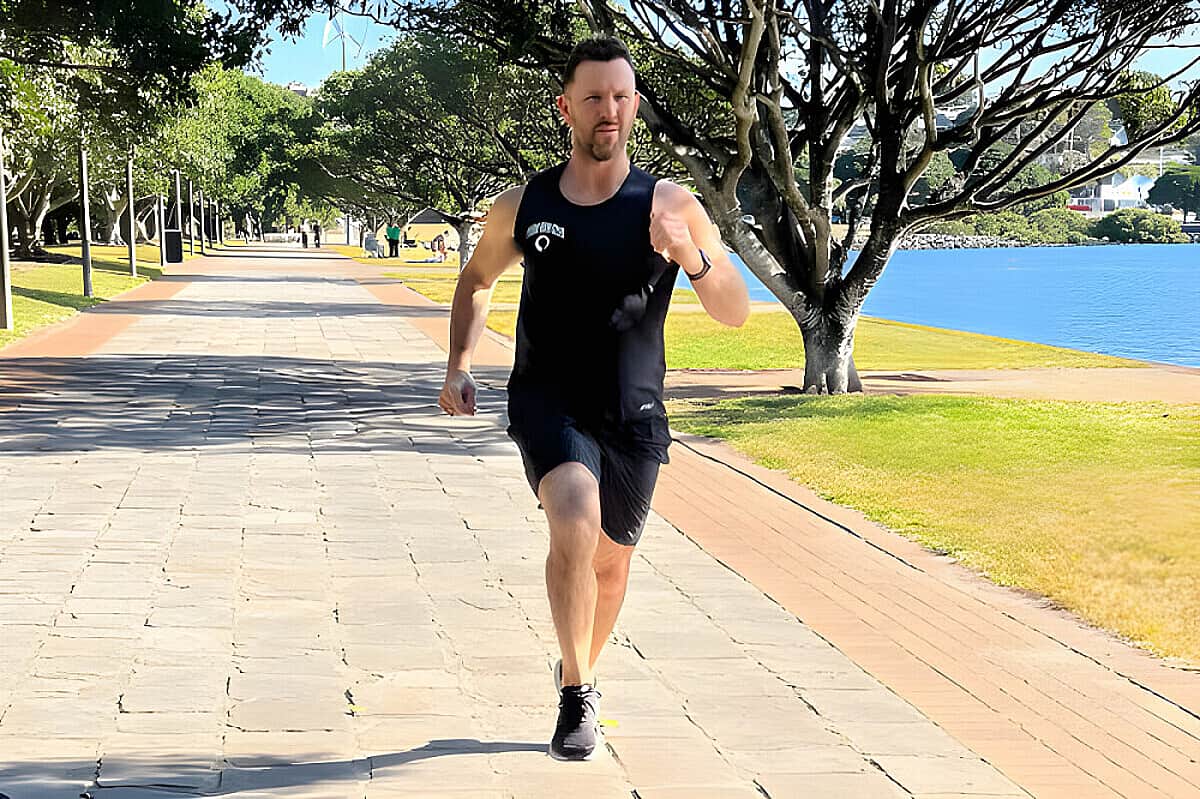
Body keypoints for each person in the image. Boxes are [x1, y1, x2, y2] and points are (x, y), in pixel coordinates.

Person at [438, 36, 749, 762]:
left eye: (620, 97)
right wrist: (458, 362)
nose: (607, 111)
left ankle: (580, 667)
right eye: (593, 99)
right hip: (548, 400)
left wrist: (690, 254)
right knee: (574, 519)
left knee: (611, 563)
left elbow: (733, 309)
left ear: (634, 106)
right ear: (565, 109)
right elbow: (477, 279)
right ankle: (577, 695)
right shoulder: (526, 203)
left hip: (634, 413)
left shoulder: (670, 204)